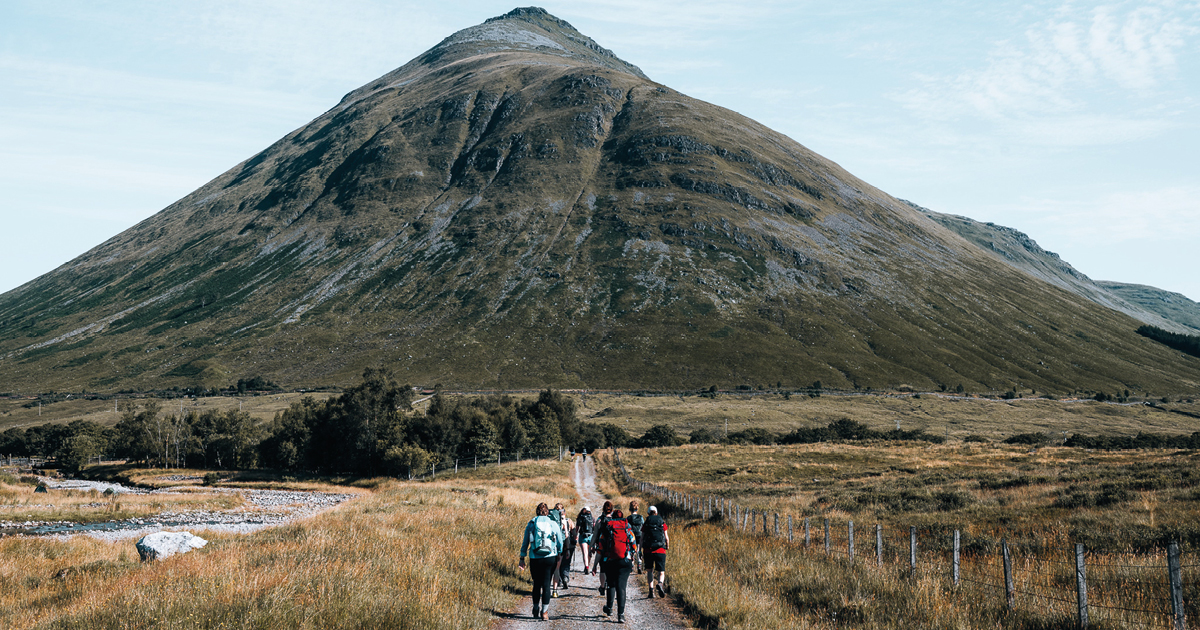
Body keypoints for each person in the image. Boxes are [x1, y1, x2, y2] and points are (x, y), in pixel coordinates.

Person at [519, 502, 563, 621]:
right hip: (550, 557)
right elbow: (560, 540)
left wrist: (522, 558)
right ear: (548, 512)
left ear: (537, 512)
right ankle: (544, 612)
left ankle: (535, 607)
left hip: (535, 557)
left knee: (536, 584)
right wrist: (559, 552)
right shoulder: (553, 523)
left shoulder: (532, 523)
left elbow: (525, 542)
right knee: (546, 583)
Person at [595, 507, 637, 623]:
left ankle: (609, 608)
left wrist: (594, 565)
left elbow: (601, 545)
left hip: (610, 560)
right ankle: (621, 615)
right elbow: (634, 544)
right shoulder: (627, 527)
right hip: (625, 560)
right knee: (621, 586)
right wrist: (632, 556)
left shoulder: (608, 526)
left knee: (611, 584)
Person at [642, 505, 670, 598]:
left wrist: (640, 548)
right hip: (660, 550)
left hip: (648, 550)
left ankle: (651, 591)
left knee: (650, 571)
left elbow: (642, 537)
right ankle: (660, 583)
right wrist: (667, 546)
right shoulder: (662, 522)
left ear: (648, 513)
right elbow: (666, 537)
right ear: (656, 512)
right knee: (661, 571)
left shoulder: (646, 523)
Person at [550, 502, 574, 596]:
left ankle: (557, 581)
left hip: (553, 544)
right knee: (561, 564)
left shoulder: (551, 519)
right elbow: (567, 535)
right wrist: (568, 548)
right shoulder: (565, 520)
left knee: (554, 566)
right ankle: (561, 581)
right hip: (563, 544)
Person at [590, 500, 614, 592]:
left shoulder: (600, 520)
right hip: (612, 548)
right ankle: (609, 584)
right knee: (611, 568)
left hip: (602, 547)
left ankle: (603, 586)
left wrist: (591, 547)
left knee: (602, 568)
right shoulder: (614, 520)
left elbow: (595, 535)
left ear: (603, 509)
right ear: (611, 510)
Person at [626, 500, 645, 574]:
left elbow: (627, 527)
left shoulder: (628, 518)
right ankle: (639, 564)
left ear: (630, 509)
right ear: (637, 508)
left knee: (631, 550)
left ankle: (632, 565)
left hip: (632, 536)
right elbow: (643, 526)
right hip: (639, 535)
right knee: (639, 550)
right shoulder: (641, 517)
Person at [576, 506, 595, 575]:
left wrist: (575, 536)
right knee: (589, 552)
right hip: (591, 536)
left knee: (585, 552)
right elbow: (594, 528)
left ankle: (586, 566)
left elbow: (577, 529)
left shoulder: (580, 518)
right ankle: (587, 565)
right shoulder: (592, 518)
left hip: (582, 536)